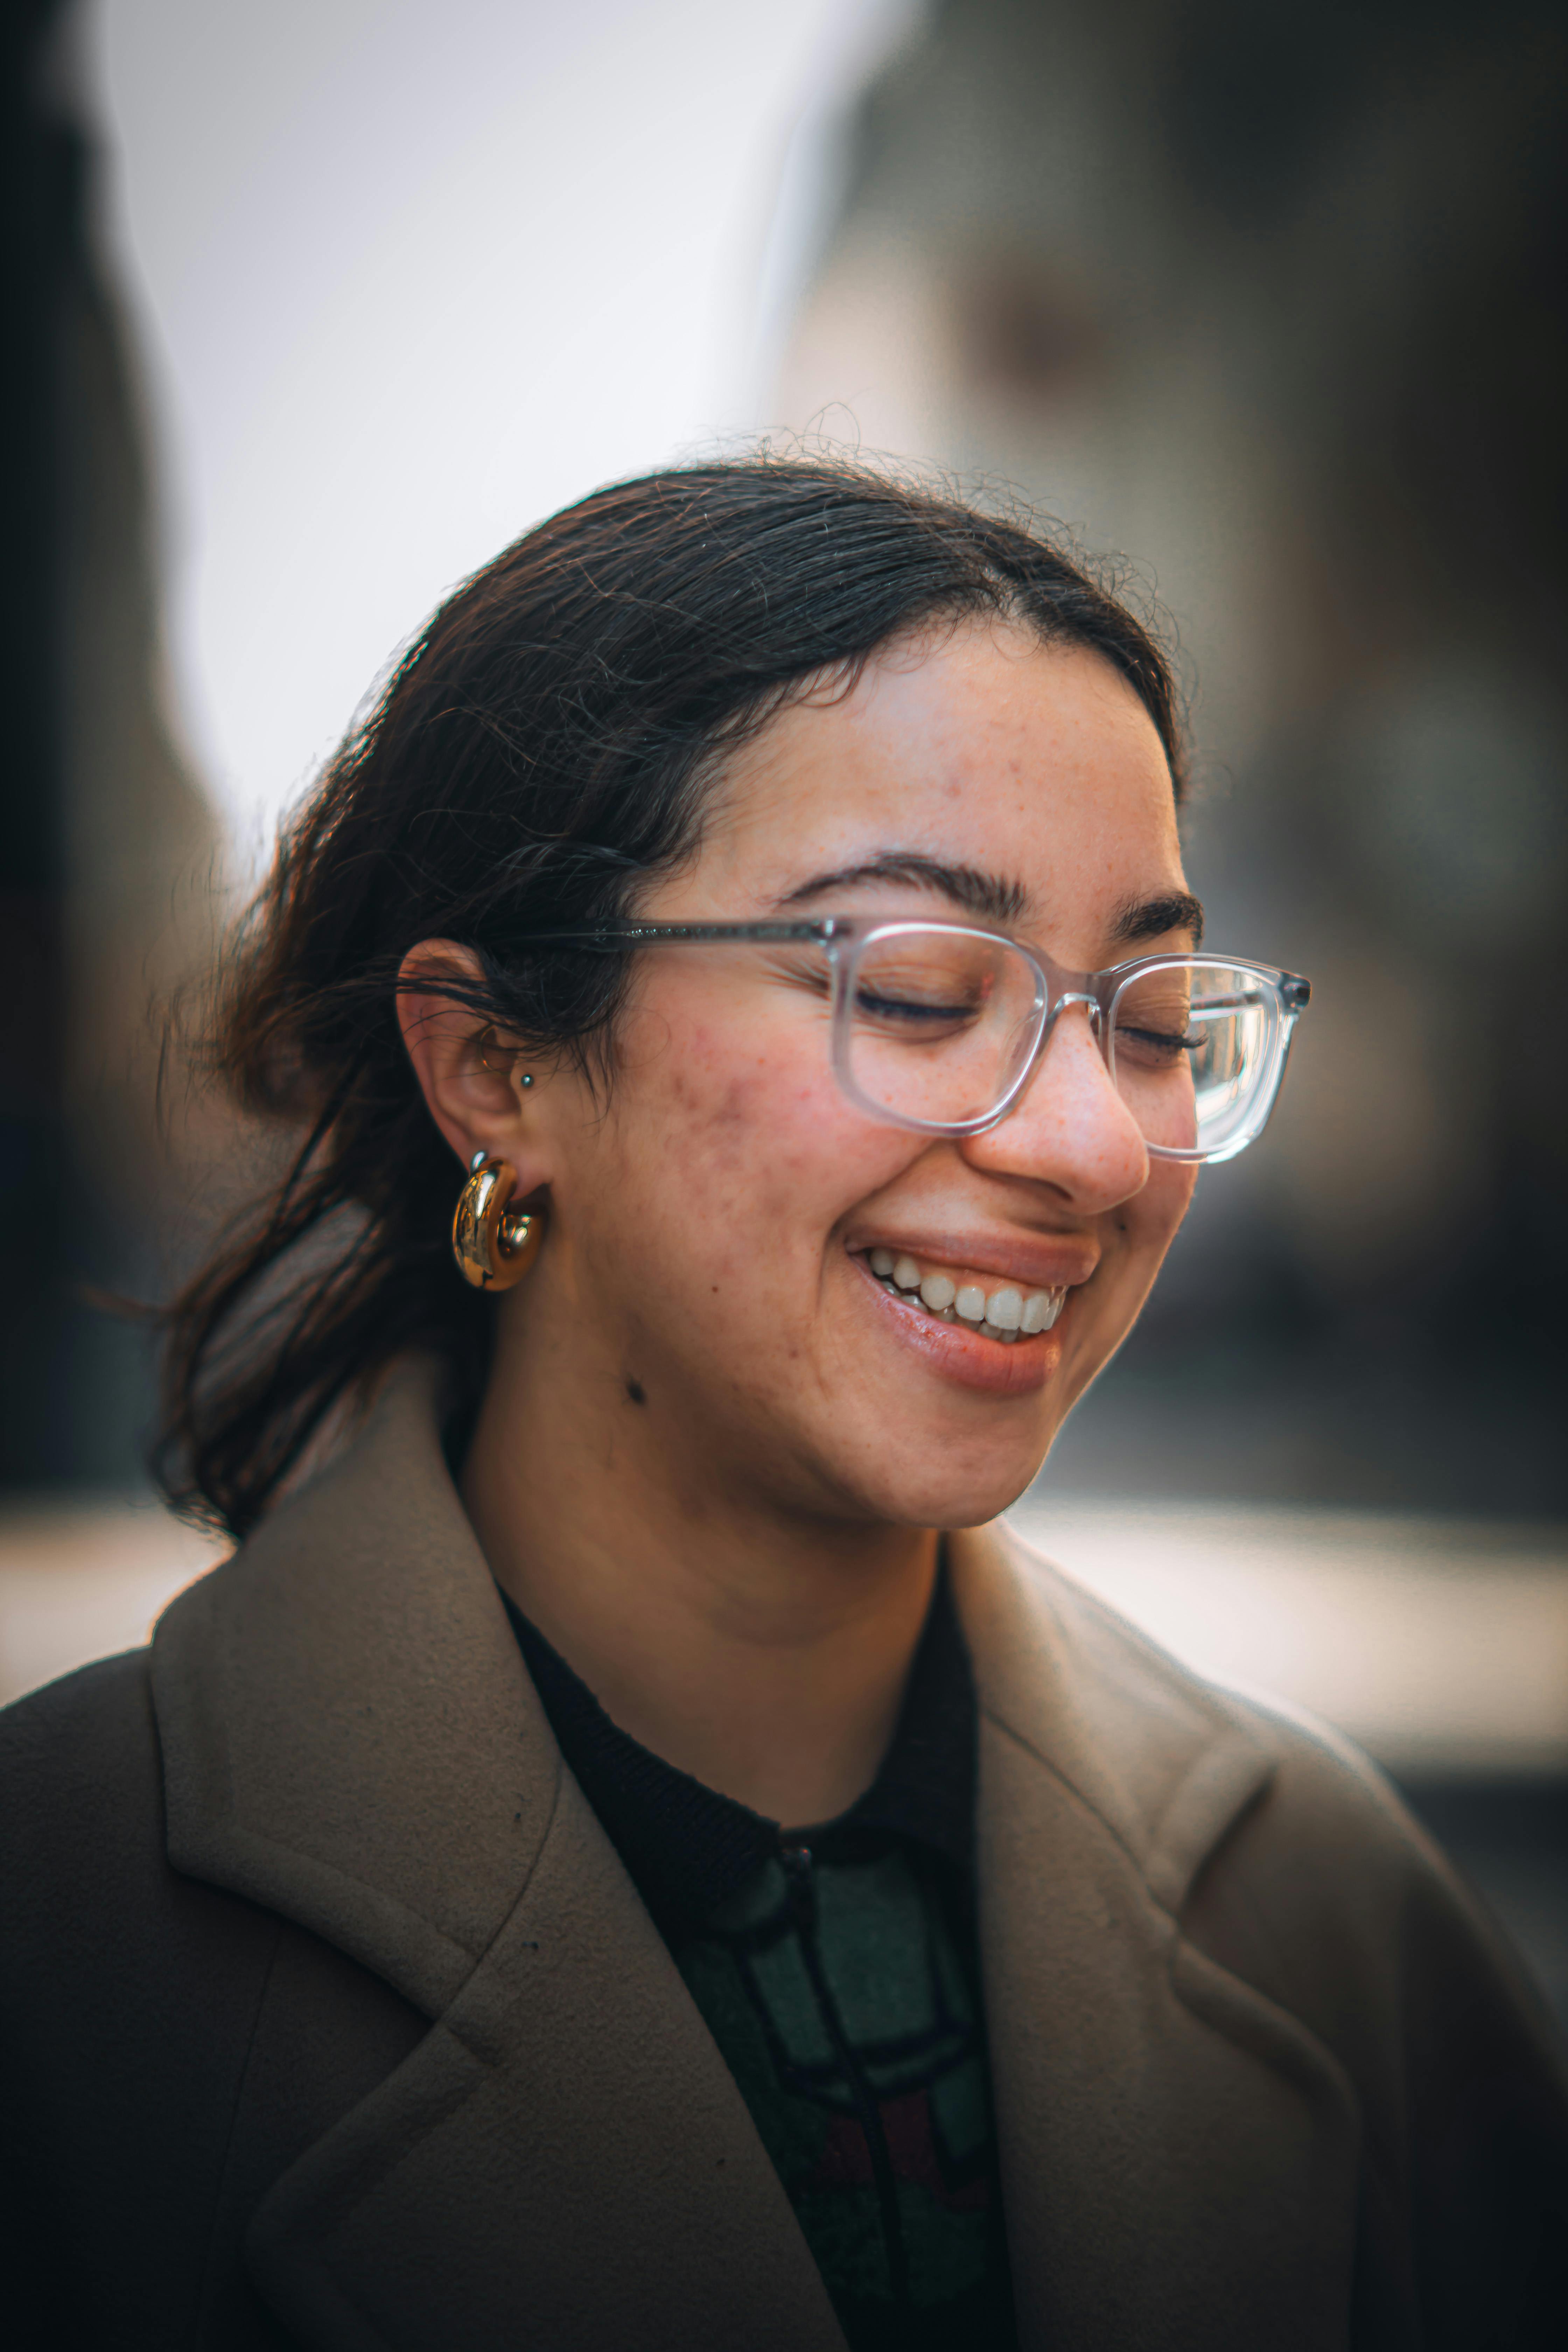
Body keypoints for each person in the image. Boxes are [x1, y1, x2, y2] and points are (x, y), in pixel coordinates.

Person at [1, 458, 1563, 2352]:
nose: (1091, 1145)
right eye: (914, 990)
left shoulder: (1337, 1923)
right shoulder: (70, 1938)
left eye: (1152, 1019)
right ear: (495, 1065)